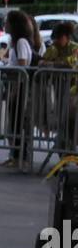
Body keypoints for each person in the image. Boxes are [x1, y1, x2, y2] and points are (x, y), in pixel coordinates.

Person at [0, 9, 34, 169]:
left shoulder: (21, 42)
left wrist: (15, 87)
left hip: (19, 88)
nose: (5, 24)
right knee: (14, 123)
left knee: (17, 123)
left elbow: (22, 64)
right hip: (16, 87)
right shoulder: (18, 42)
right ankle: (14, 156)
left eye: (7, 22)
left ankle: (19, 156)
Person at [40, 20, 78, 153]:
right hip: (58, 85)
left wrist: (53, 64)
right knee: (61, 115)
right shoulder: (54, 48)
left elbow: (72, 62)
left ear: (66, 37)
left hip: (73, 87)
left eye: (59, 37)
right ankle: (64, 144)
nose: (56, 40)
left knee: (69, 116)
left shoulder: (74, 47)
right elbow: (43, 61)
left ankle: (69, 144)